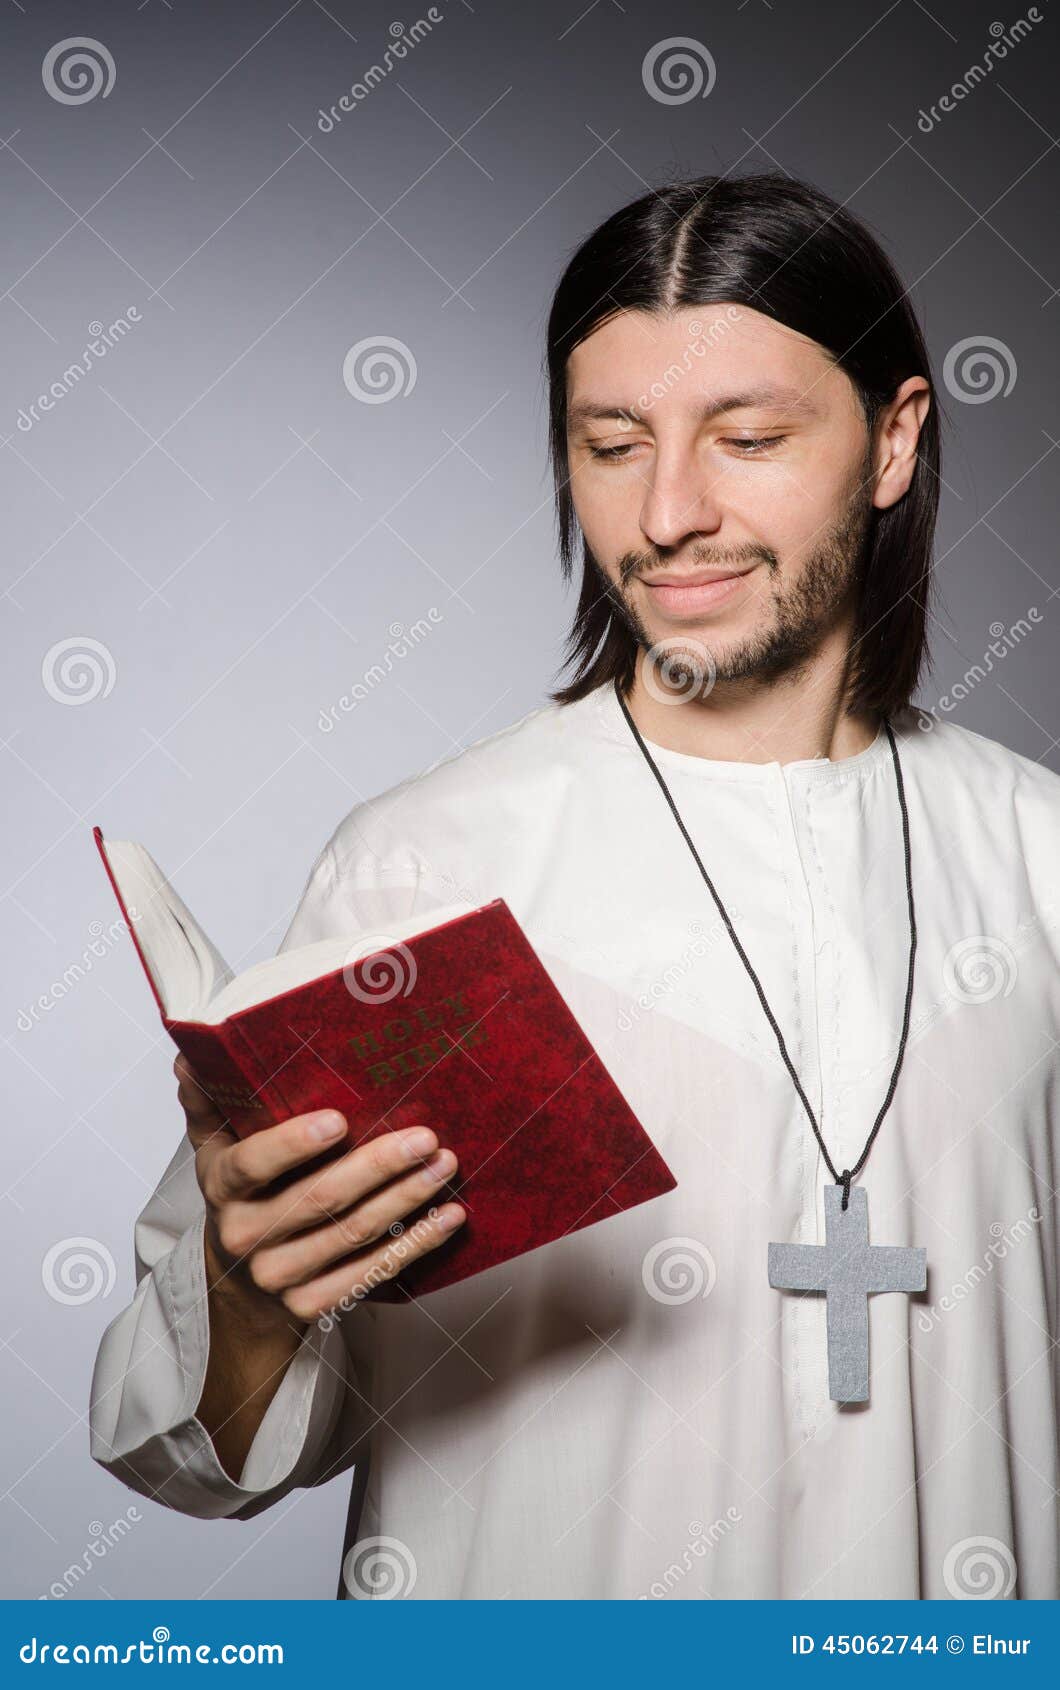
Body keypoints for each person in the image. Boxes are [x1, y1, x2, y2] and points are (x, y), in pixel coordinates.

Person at [89, 173, 1060, 1600]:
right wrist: (243, 1297)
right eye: (612, 444)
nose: (669, 513)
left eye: (747, 436)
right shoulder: (427, 864)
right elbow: (188, 1446)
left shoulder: (1039, 853)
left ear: (894, 440)